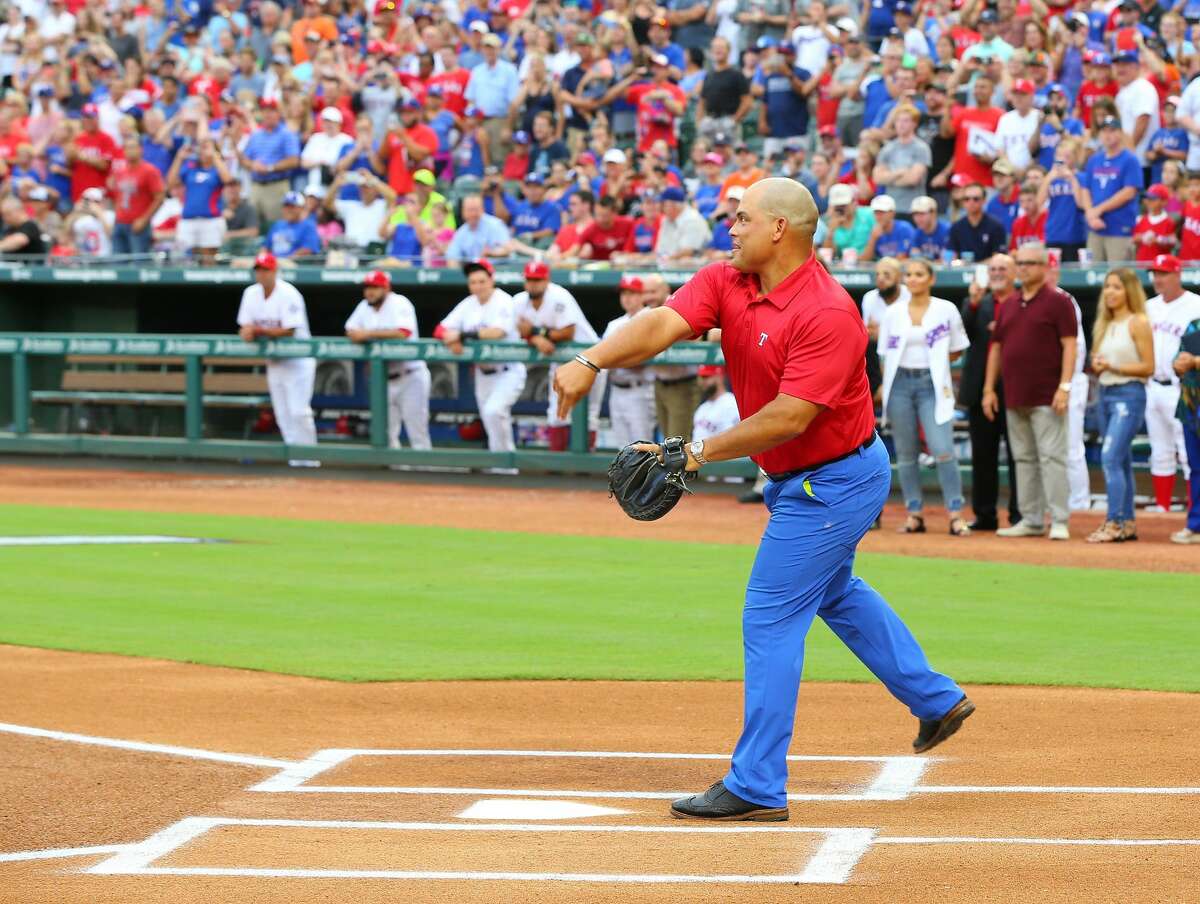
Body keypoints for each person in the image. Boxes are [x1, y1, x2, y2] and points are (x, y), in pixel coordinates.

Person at [553, 177, 972, 822]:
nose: (731, 227)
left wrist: (695, 453)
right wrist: (590, 360)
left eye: (742, 218)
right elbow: (661, 324)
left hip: (835, 479)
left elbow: (788, 418)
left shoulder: (829, 312)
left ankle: (757, 783)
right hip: (802, 478)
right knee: (833, 592)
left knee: (771, 614)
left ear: (780, 228)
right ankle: (935, 698)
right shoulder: (730, 280)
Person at [984, 244, 1079, 540]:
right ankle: (1031, 518)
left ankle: (1060, 519)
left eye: (1030, 263)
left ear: (1044, 266)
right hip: (1015, 393)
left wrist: (1064, 386)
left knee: (1052, 457)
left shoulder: (1059, 300)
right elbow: (996, 347)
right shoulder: (1010, 302)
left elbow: (1070, 345)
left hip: (1047, 393)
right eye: (1020, 262)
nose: (1023, 268)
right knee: (1023, 458)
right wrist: (989, 388)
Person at [877, 258, 972, 536]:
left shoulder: (946, 309)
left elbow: (958, 349)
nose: (914, 279)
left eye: (920, 274)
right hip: (900, 385)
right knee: (906, 454)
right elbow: (885, 354)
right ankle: (914, 513)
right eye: (910, 274)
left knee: (943, 450)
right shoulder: (893, 312)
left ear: (931, 279)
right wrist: (887, 382)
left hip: (932, 384)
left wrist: (938, 361)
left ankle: (955, 513)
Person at [1087, 268, 1155, 543]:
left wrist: (1112, 365)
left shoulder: (1137, 322)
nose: (1110, 292)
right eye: (1107, 287)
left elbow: (1149, 366)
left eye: (1116, 287)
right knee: (1122, 459)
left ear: (1129, 290)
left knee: (1110, 457)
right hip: (1105, 392)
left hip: (1129, 394)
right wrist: (1099, 365)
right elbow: (1097, 360)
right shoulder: (1104, 323)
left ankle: (1113, 521)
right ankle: (1127, 522)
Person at [236, 251, 318, 467]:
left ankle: (309, 459)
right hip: (275, 361)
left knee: (299, 412)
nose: (262, 274)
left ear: (275, 271)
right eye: (259, 270)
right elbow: (245, 325)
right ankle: (294, 459)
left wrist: (257, 330)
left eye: (266, 270)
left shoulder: (289, 294)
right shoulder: (250, 294)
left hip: (298, 360)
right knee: (283, 415)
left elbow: (289, 330)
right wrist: (246, 331)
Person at [435, 259, 525, 455]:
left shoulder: (504, 301)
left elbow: (497, 332)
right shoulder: (468, 304)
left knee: (494, 412)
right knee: (491, 421)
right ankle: (500, 468)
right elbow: (440, 328)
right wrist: (450, 339)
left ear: (492, 280)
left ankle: (506, 465)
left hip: (507, 371)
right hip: (483, 374)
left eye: (482, 281)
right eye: (473, 282)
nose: (477, 286)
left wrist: (461, 335)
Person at [514, 260, 606, 451]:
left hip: (590, 358)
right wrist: (536, 338)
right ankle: (557, 471)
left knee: (589, 414)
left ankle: (584, 468)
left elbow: (567, 332)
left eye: (537, 280)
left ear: (546, 280)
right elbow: (518, 331)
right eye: (529, 280)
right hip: (561, 360)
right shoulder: (518, 301)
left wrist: (534, 331)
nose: (533, 284)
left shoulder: (559, 296)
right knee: (557, 413)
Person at [960, 254, 1021, 531]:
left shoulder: (1023, 301)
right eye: (992, 269)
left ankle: (1021, 514)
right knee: (983, 455)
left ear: (1014, 273)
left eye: (1002, 269)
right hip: (979, 386)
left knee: (1019, 454)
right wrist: (972, 303)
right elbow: (963, 336)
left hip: (1015, 387)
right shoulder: (977, 303)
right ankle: (985, 514)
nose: (997, 273)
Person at [344, 270, 432, 451]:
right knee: (386, 432)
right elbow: (350, 330)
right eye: (367, 287)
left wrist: (367, 334)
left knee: (417, 431)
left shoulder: (399, 303)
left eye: (375, 287)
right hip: (383, 378)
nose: (370, 292)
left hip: (410, 376)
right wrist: (363, 335)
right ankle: (395, 473)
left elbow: (403, 333)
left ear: (386, 288)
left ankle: (426, 472)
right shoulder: (363, 307)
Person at [1144, 254, 1200, 513]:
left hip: (1183, 388)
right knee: (1160, 450)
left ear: (1177, 275)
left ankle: (1193, 512)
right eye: (1155, 273)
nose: (1157, 278)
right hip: (1153, 385)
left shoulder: (1195, 304)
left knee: (1188, 454)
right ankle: (1163, 511)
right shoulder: (1149, 306)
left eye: (1163, 273)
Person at [642, 272, 701, 441]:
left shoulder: (680, 304)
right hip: (659, 382)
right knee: (667, 440)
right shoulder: (646, 313)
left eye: (653, 292)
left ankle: (682, 469)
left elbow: (695, 338)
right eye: (646, 293)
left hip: (682, 384)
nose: (649, 297)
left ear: (665, 290)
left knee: (678, 442)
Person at [1079, 116, 1143, 263]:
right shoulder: (1094, 159)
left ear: (1120, 133)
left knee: (1119, 274)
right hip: (1095, 228)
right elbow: (1086, 189)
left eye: (1112, 131)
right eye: (1104, 131)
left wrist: (1098, 210)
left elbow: (1129, 192)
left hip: (1119, 228)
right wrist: (1090, 214)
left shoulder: (1130, 160)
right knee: (1091, 274)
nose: (1107, 135)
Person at [603, 274, 655, 449]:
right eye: (623, 293)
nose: (627, 298)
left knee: (643, 448)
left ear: (642, 296)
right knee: (622, 449)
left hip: (640, 389)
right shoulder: (614, 324)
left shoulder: (651, 317)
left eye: (632, 293)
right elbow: (604, 358)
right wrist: (621, 358)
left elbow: (642, 358)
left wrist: (616, 358)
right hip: (616, 390)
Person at [167, 138, 231, 265]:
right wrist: (179, 158)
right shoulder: (191, 167)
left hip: (210, 220)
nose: (202, 150)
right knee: (184, 259)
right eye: (201, 147)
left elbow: (227, 179)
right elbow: (170, 182)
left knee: (208, 259)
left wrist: (214, 156)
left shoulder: (217, 169)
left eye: (206, 147)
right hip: (188, 219)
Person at [1171, 308, 1200, 543]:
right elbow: (1179, 359)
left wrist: (1196, 361)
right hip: (1191, 404)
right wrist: (1179, 364)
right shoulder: (1194, 325)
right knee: (1196, 467)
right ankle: (1195, 525)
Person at [109, 135, 165, 255]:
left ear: (141, 149)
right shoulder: (120, 171)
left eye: (133, 147)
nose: (130, 151)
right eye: (127, 148)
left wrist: (144, 220)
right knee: (117, 262)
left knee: (139, 263)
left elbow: (160, 197)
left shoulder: (150, 171)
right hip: (120, 223)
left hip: (138, 224)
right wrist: (117, 216)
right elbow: (118, 196)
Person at [948, 182, 1007, 262]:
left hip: (989, 271)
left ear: (984, 200)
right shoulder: (956, 227)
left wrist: (977, 266)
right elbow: (952, 256)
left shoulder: (996, 226)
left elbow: (999, 257)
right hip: (962, 271)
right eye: (967, 199)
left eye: (976, 199)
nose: (971, 202)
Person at [445, 194, 512, 263]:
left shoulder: (495, 225)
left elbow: (508, 249)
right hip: (472, 271)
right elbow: (451, 256)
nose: (473, 214)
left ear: (482, 209)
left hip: (498, 270)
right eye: (469, 210)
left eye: (476, 209)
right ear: (463, 212)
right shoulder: (461, 232)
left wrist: (491, 253)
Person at [264, 191, 322, 259]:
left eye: (292, 206)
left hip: (295, 264)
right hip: (273, 263)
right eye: (286, 206)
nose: (288, 210)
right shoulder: (277, 225)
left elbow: (308, 249)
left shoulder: (308, 226)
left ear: (301, 208)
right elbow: (266, 248)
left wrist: (286, 259)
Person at [692, 365, 740, 443]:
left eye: (706, 377)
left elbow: (732, 441)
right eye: (700, 377)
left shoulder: (730, 404)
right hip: (700, 453)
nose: (701, 382)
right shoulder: (702, 407)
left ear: (719, 377)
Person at [863, 194, 915, 261]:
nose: (878, 216)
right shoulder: (874, 231)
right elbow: (866, 259)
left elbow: (902, 258)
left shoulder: (904, 228)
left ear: (892, 213)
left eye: (882, 212)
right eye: (876, 212)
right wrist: (873, 239)